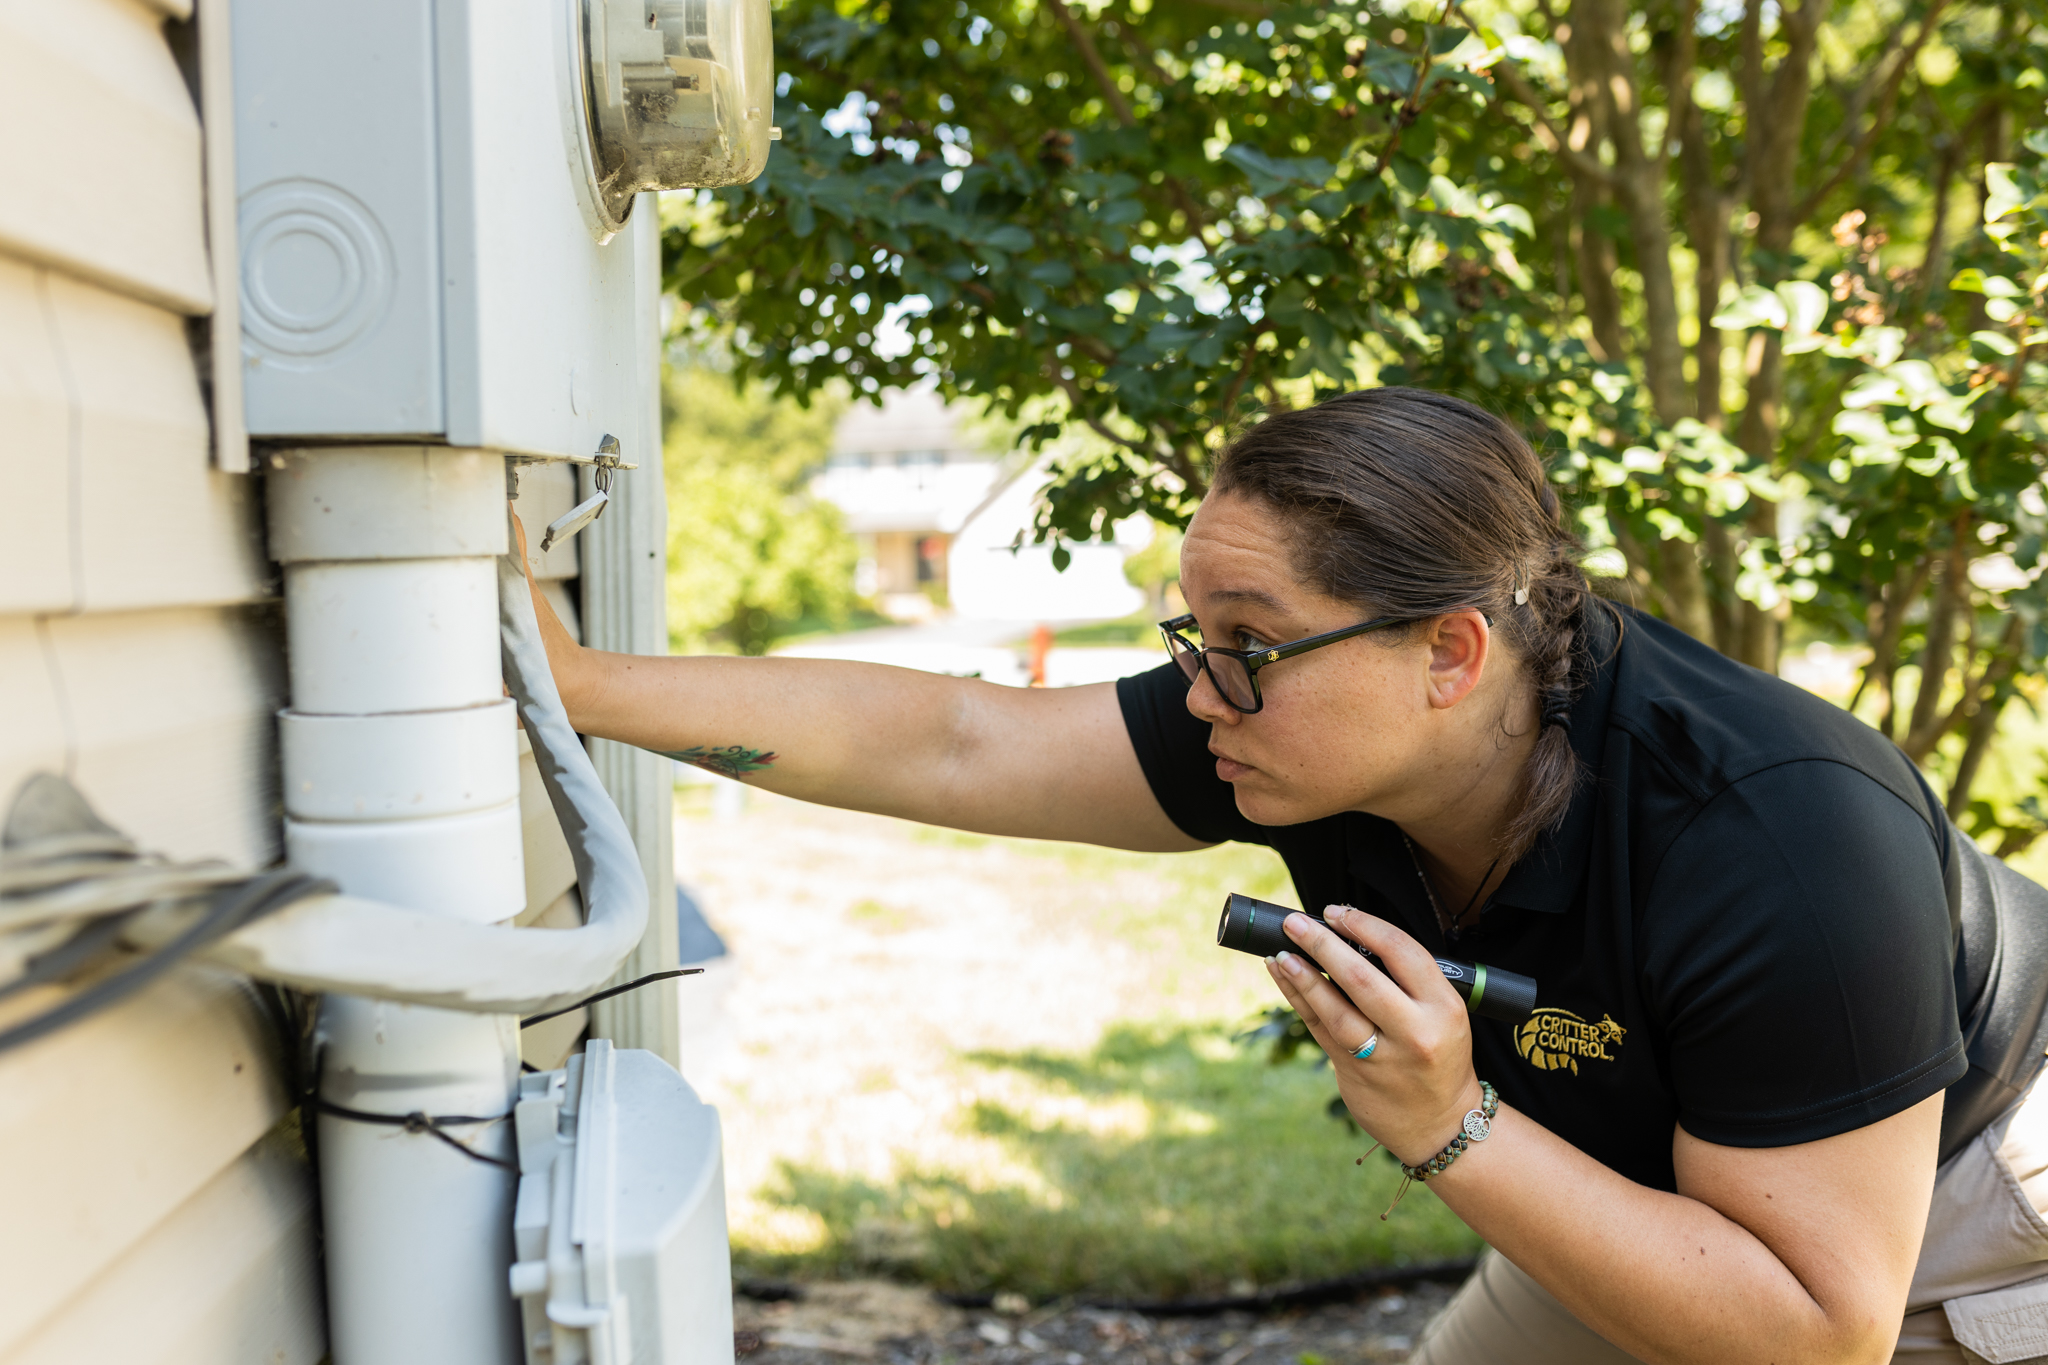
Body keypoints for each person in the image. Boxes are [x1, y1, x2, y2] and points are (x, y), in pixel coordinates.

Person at [519, 387, 2048, 1364]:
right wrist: (578, 682)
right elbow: (962, 739)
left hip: (1971, 1201)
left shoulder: (1778, 837)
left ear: (1450, 651)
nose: (1200, 690)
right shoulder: (1299, 731)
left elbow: (1816, 1327)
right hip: (1668, 1183)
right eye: (1195, 635)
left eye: (1248, 642)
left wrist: (1449, 1124)